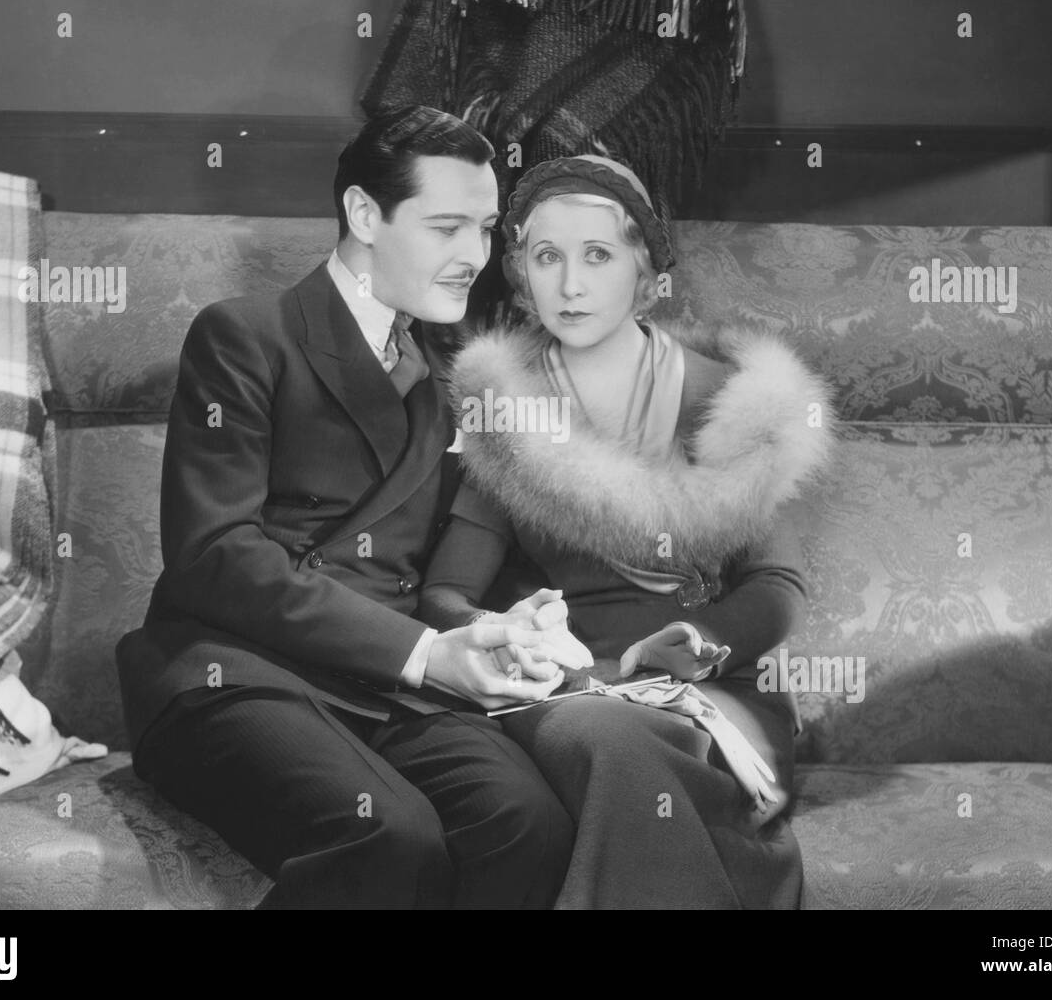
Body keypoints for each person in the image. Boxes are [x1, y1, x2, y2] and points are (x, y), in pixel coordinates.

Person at [115, 107, 595, 910]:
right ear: (364, 215)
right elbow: (214, 554)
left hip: (383, 686)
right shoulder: (246, 335)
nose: (474, 258)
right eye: (446, 228)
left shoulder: (453, 375)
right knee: (387, 835)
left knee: (528, 823)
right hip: (232, 674)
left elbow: (443, 570)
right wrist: (423, 651)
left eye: (484, 229)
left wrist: (508, 623)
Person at [419, 154, 837, 909]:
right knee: (607, 736)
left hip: (714, 688)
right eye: (547, 257)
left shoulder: (729, 397)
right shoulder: (506, 408)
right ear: (519, 273)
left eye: (598, 256)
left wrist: (692, 642)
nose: (570, 284)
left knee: (640, 742)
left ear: (645, 275)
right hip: (569, 687)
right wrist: (506, 631)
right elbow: (446, 591)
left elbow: (779, 588)